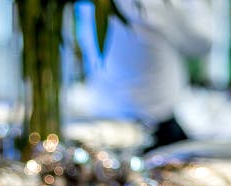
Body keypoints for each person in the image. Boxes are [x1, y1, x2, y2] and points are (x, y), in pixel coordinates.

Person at [71, 0, 215, 151]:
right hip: (154, 129)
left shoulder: (87, 5)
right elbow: (202, 43)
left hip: (103, 122)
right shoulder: (158, 4)